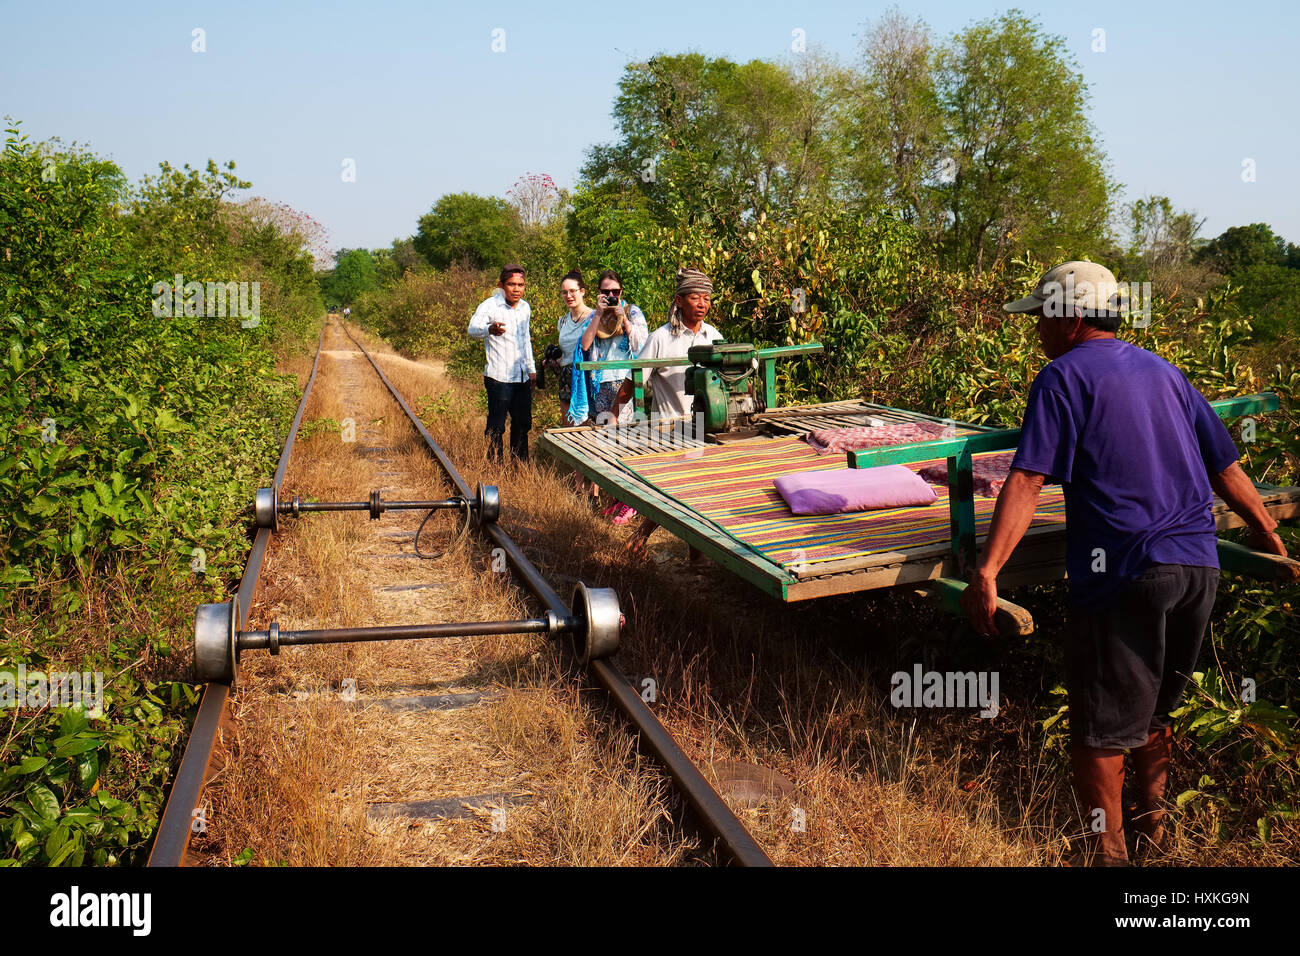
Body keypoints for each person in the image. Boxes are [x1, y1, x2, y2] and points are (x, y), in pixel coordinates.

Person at [959, 260, 1288, 866]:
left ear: (1072, 318)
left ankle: (1109, 858)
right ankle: (1155, 837)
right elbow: (1227, 469)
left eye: (1042, 318)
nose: (1036, 330)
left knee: (1101, 728)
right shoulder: (1167, 373)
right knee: (1155, 713)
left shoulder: (1061, 378)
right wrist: (1271, 536)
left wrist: (986, 572)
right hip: (1197, 568)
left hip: (1128, 571)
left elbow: (1028, 479)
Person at [628, 267, 724, 556]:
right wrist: (614, 419)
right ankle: (642, 538)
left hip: (705, 430)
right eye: (695, 298)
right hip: (668, 430)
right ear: (679, 301)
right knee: (674, 494)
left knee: (700, 493)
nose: (702, 304)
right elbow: (634, 380)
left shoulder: (714, 336)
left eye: (706, 299)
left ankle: (695, 555)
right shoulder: (661, 338)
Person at [570, 272, 647, 524]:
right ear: (599, 294)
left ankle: (631, 503)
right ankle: (617, 499)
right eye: (606, 292)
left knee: (625, 441)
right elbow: (585, 345)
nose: (612, 296)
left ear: (621, 292)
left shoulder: (633, 312)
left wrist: (623, 319)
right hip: (600, 384)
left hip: (625, 381)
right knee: (607, 443)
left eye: (616, 292)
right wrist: (600, 315)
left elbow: (641, 344)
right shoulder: (594, 315)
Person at [467, 264, 536, 463]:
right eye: (511, 284)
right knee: (496, 425)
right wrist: (489, 329)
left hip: (521, 376)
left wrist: (531, 369)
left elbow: (526, 339)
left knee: (523, 423)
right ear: (501, 285)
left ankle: (519, 465)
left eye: (520, 285)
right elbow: (472, 329)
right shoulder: (490, 305)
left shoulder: (525, 307)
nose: (516, 289)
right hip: (499, 377)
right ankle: (494, 465)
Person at [555, 270, 594, 413]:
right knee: (569, 426)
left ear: (582, 291)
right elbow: (566, 353)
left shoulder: (594, 317)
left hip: (586, 377)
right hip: (566, 378)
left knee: (588, 425)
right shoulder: (563, 321)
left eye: (572, 291)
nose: (568, 296)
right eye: (564, 292)